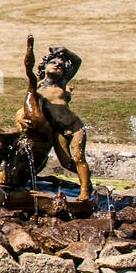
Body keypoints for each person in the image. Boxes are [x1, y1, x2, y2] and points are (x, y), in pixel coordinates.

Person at [32, 40, 93, 200]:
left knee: (79, 157)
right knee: (66, 163)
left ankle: (85, 191)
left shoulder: (62, 83)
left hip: (73, 127)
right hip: (57, 130)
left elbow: (77, 61)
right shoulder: (36, 87)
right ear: (44, 66)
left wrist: (64, 51)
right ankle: (86, 179)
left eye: (61, 65)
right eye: (53, 62)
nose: (57, 65)